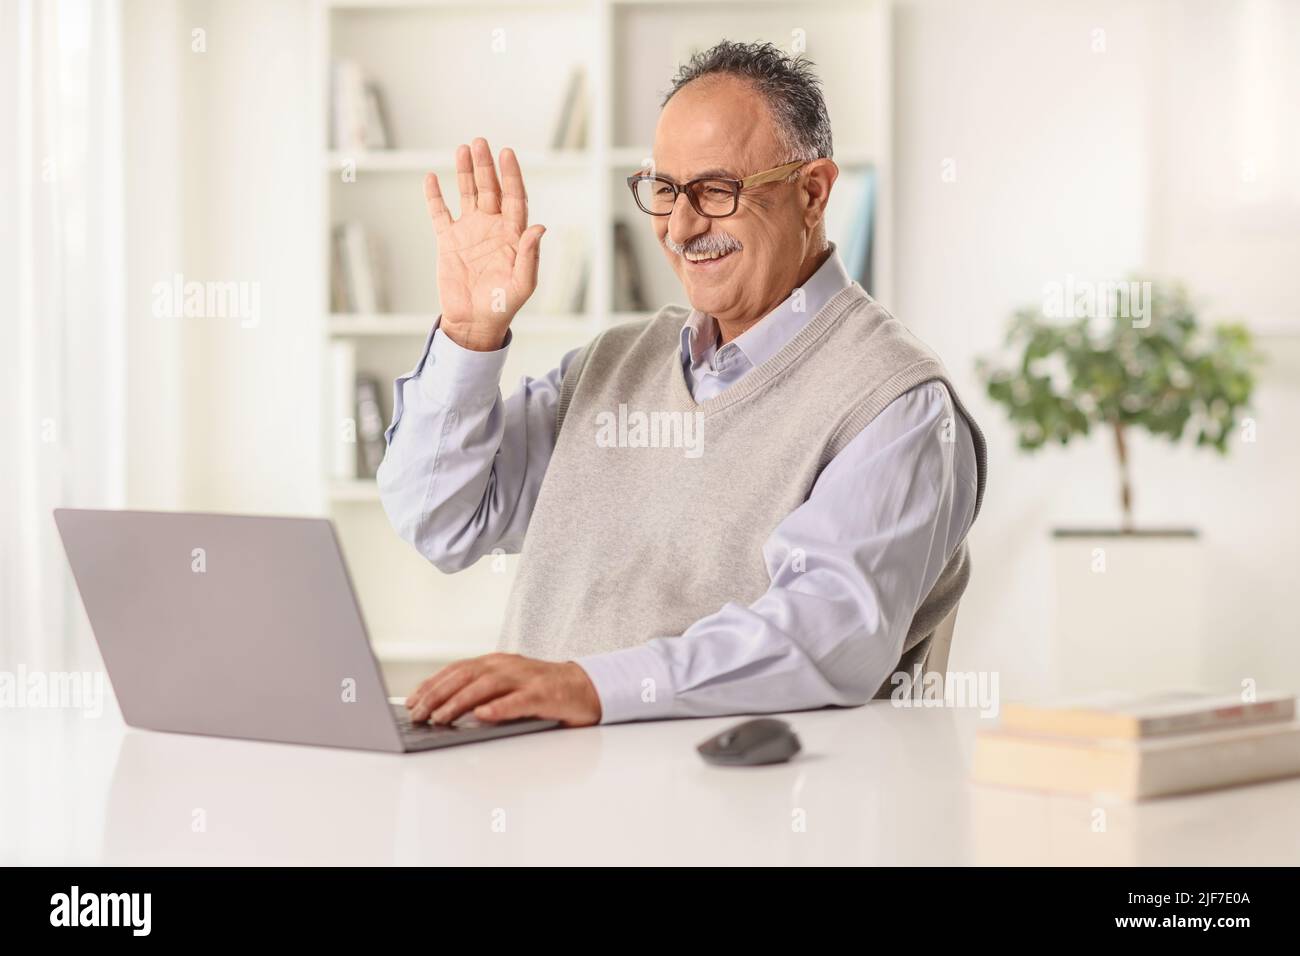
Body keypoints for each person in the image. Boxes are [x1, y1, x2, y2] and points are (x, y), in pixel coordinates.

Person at [378, 41, 986, 728]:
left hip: (754, 822)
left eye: (717, 190)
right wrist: (468, 333)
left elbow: (824, 638)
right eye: (664, 190)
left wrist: (587, 687)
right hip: (536, 799)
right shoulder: (611, 365)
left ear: (811, 192)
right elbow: (439, 522)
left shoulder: (896, 402)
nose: (680, 227)